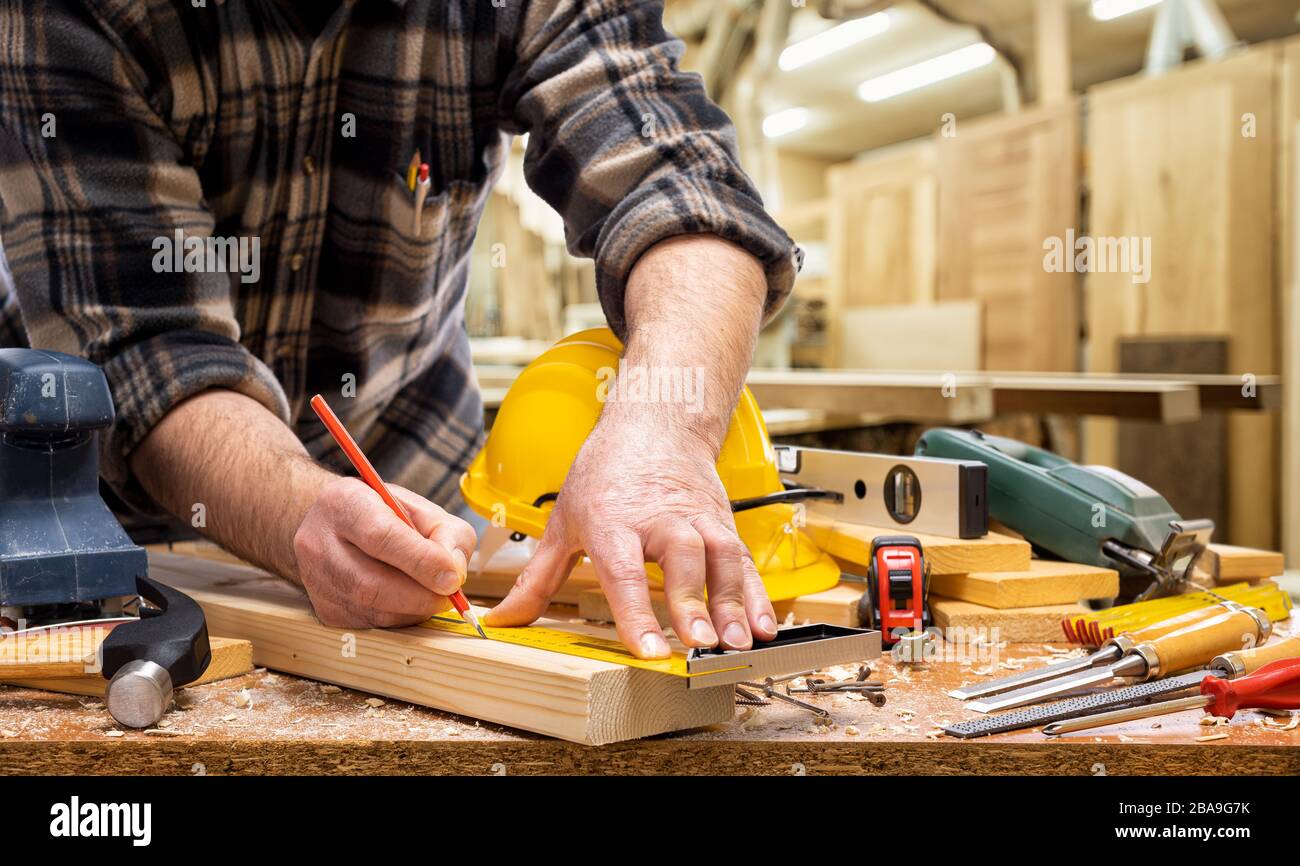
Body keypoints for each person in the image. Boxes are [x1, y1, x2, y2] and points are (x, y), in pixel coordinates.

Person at [0, 0, 799, 659]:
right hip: (122, 547)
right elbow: (148, 356)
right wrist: (293, 509)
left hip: (417, 493)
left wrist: (664, 432)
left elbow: (684, 185)